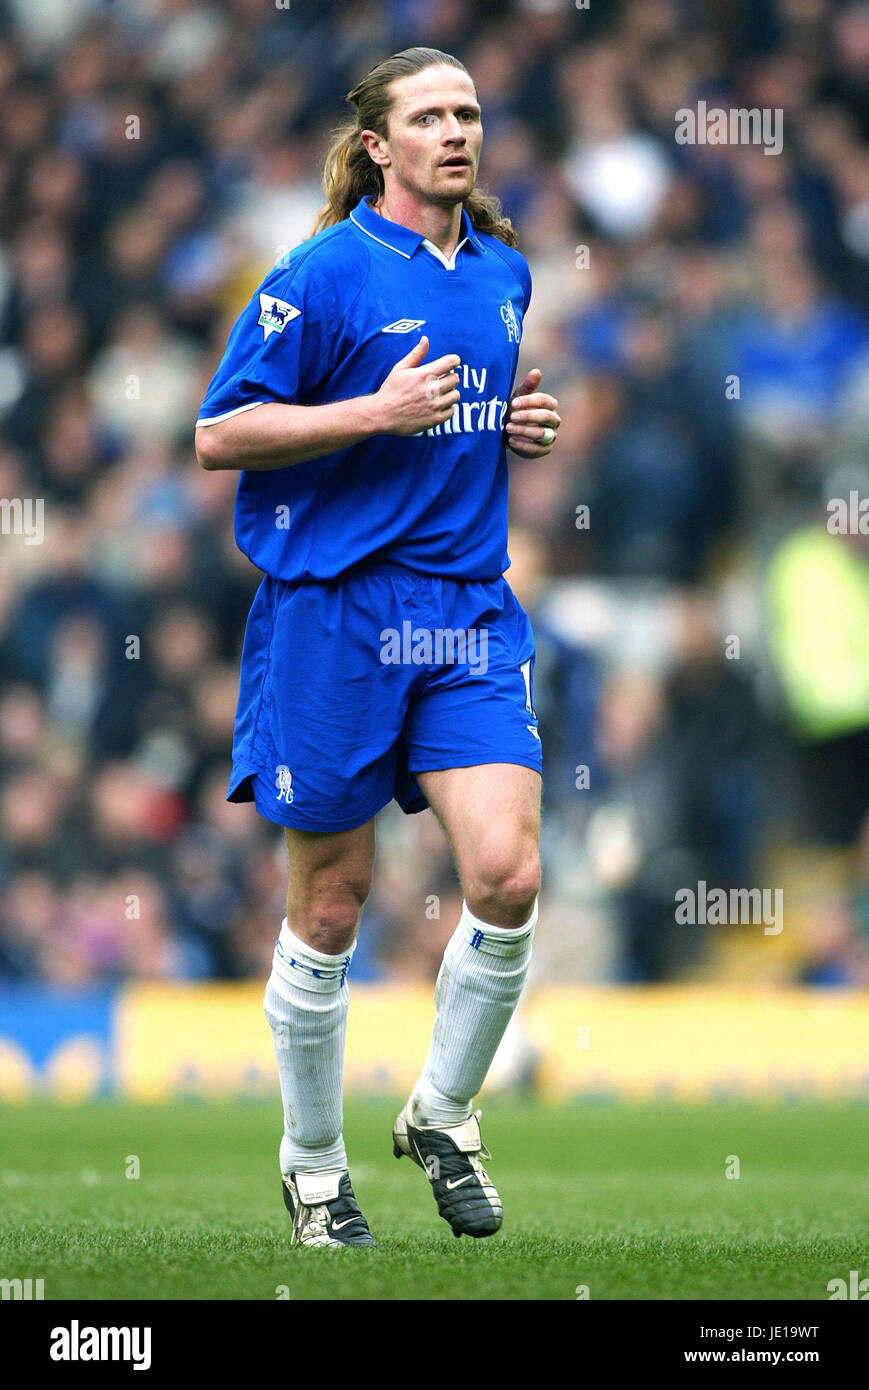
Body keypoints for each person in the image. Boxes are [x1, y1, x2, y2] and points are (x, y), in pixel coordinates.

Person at [194, 46, 561, 1247]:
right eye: (428, 115)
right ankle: (312, 1168)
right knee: (334, 901)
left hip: (463, 608)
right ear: (377, 145)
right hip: (335, 613)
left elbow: (449, 425)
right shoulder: (320, 272)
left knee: (505, 876)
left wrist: (509, 424)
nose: (455, 130)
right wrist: (371, 412)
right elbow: (218, 434)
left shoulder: (504, 273)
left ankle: (442, 1112)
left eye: (466, 110)